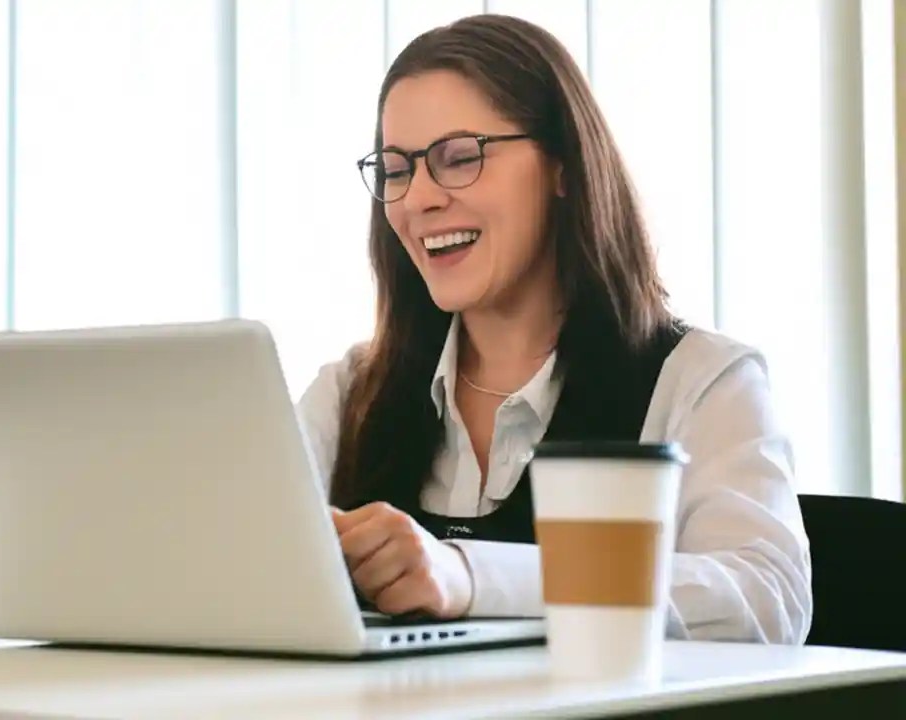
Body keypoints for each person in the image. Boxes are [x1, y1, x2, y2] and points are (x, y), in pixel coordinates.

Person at [296, 14, 812, 644]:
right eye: (398, 169)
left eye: (459, 158)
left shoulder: (700, 382)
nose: (418, 199)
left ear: (564, 166)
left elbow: (766, 602)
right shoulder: (350, 392)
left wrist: (471, 577)